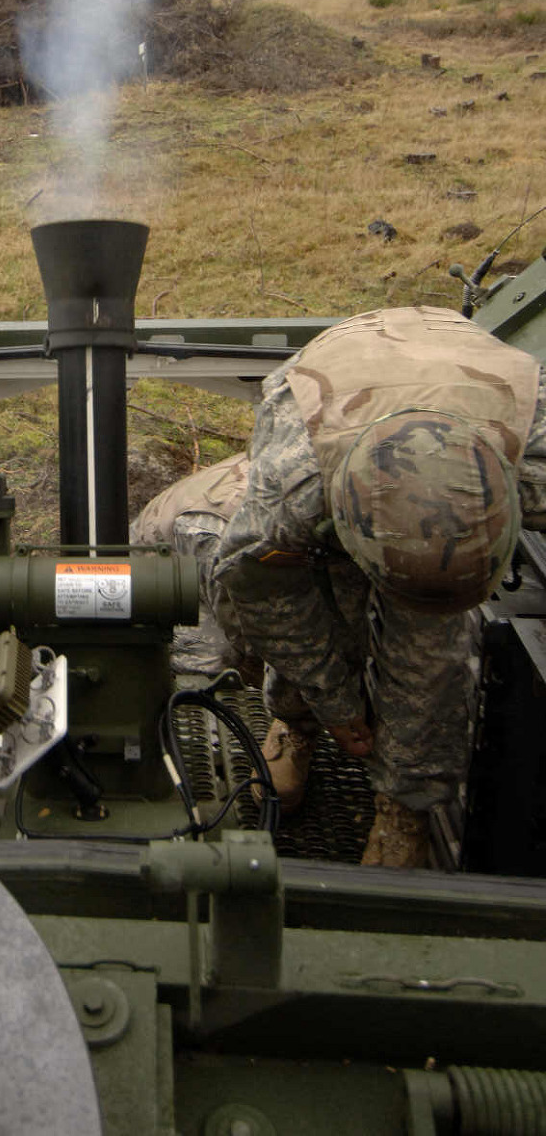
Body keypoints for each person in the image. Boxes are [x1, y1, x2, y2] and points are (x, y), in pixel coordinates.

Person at [212, 305, 546, 867]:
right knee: (328, 599)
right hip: (338, 382)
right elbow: (265, 599)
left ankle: (406, 805)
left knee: (432, 648)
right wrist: (333, 702)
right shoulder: (294, 488)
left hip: (465, 373)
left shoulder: (535, 458)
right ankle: (295, 725)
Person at [130, 452, 261, 680]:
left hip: (204, 559)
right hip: (159, 578)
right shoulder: (221, 526)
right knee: (215, 659)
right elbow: (246, 624)